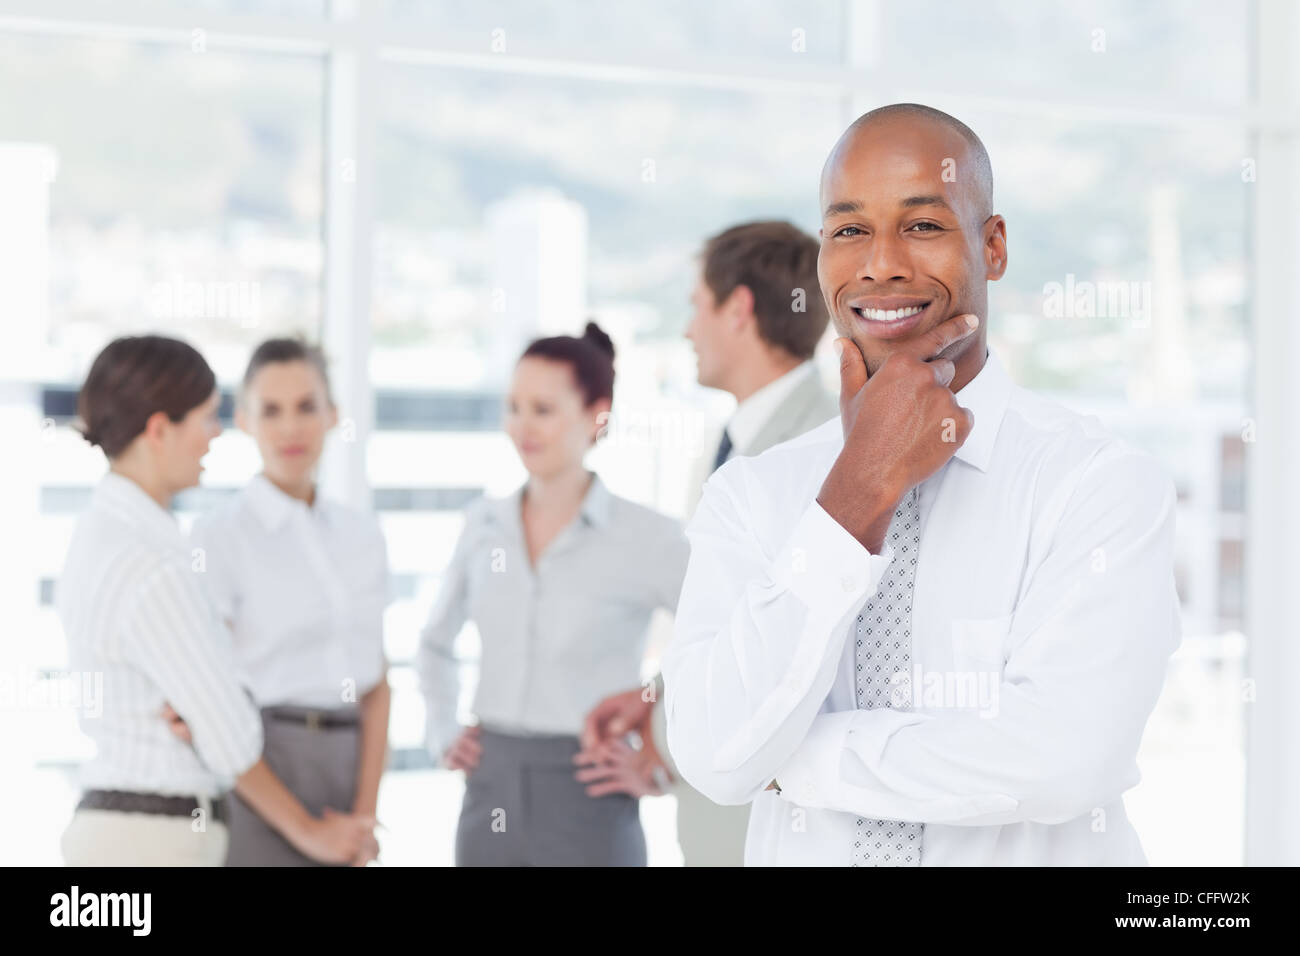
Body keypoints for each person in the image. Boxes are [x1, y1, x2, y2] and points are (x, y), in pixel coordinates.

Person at [662, 103, 1182, 866]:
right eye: (849, 231)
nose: (882, 265)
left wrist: (787, 759)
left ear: (993, 245)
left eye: (923, 226)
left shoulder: (1098, 485)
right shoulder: (751, 495)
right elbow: (711, 753)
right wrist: (854, 496)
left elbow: (1067, 760)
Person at [57, 334, 372, 866]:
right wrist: (226, 700)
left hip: (126, 830)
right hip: (155, 839)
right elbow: (232, 740)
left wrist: (215, 694)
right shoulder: (154, 564)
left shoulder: (104, 532)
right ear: (159, 430)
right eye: (205, 418)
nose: (215, 434)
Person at [580, 221, 836, 866]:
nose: (689, 330)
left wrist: (669, 739)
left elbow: (784, 650)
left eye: (697, 306)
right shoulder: (742, 439)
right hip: (723, 814)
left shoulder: (821, 452)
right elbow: (733, 625)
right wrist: (658, 702)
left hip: (767, 827)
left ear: (739, 309)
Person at [417, 322, 689, 866]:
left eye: (543, 409)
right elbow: (434, 644)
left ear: (598, 415)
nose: (523, 427)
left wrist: (661, 759)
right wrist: (443, 730)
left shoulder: (648, 537)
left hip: (590, 790)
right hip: (488, 787)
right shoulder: (482, 525)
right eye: (514, 407)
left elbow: (722, 645)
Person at [189, 338, 389, 866]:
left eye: (306, 407)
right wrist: (304, 831)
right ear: (245, 421)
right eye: (270, 411)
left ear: (333, 415)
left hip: (349, 765)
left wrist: (363, 819)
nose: (290, 428)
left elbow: (376, 684)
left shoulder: (361, 534)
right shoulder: (220, 537)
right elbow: (207, 701)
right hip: (260, 770)